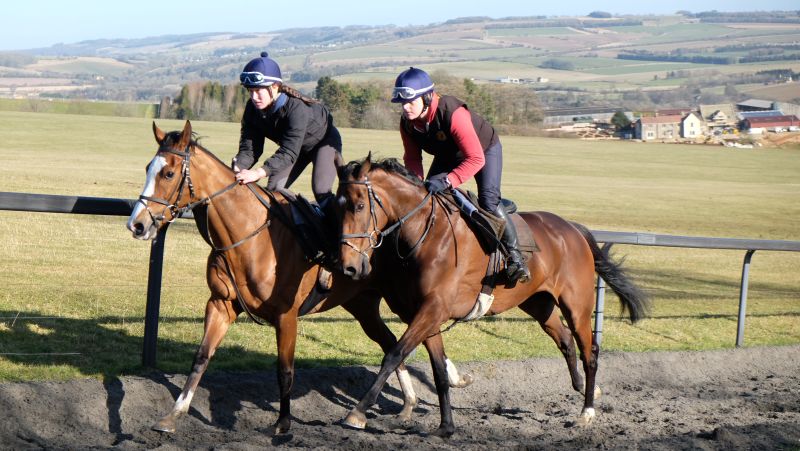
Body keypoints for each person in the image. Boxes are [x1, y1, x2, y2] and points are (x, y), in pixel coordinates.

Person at [391, 67, 531, 283]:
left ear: (427, 97)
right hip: (448, 154)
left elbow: (475, 159)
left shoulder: (452, 113)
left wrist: (448, 180)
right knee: (429, 198)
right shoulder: (407, 123)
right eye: (402, 103)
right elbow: (412, 159)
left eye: (411, 102)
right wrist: (416, 187)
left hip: (483, 150)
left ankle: (515, 258)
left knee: (488, 201)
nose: (406, 108)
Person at [233, 51, 341, 279]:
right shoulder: (253, 110)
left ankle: (336, 248)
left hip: (324, 142)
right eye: (250, 91)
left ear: (275, 88)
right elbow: (250, 148)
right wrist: (238, 168)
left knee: (321, 190)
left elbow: (289, 151)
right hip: (296, 148)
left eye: (259, 90)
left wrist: (258, 172)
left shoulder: (296, 109)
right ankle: (285, 247)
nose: (254, 97)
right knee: (274, 192)